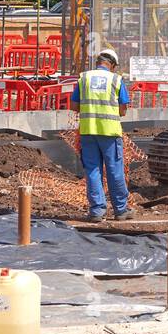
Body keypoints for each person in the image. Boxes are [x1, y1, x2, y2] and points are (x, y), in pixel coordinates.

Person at [69, 47, 132, 221]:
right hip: (110, 133)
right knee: (114, 171)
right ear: (112, 64)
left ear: (98, 62)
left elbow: (74, 106)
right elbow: (123, 110)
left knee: (93, 171)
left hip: (88, 132)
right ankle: (121, 210)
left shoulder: (84, 78)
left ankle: (97, 211)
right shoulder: (116, 79)